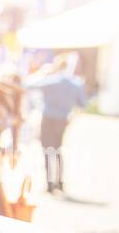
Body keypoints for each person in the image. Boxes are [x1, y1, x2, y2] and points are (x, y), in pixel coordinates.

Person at [25, 53, 88, 194]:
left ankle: (49, 184)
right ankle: (59, 182)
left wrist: (43, 73)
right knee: (58, 150)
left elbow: (28, 84)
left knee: (47, 150)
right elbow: (83, 103)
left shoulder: (51, 80)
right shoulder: (76, 83)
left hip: (48, 117)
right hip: (63, 119)